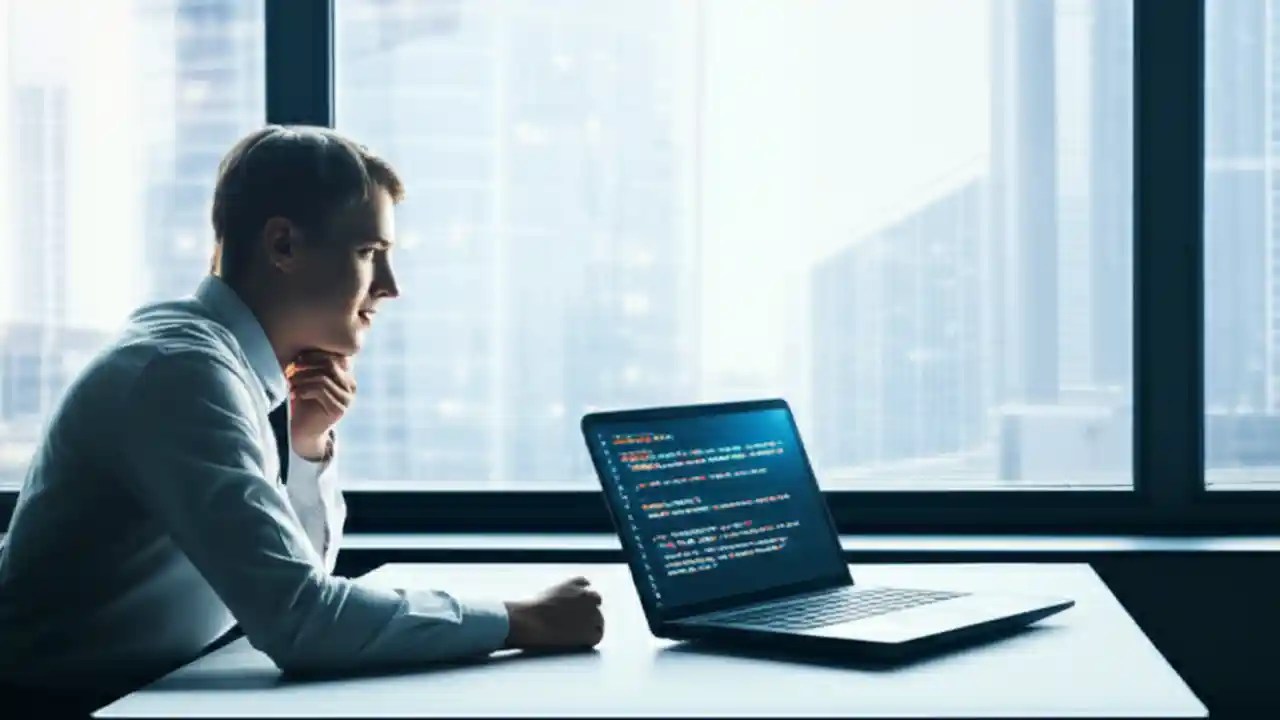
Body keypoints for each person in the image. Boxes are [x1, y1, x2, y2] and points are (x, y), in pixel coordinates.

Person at [0, 126, 604, 713]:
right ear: (283, 245)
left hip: (144, 695)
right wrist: (525, 621)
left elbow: (295, 584)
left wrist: (307, 444)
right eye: (369, 253)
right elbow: (303, 620)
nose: (389, 287)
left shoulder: (215, 364)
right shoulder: (181, 375)